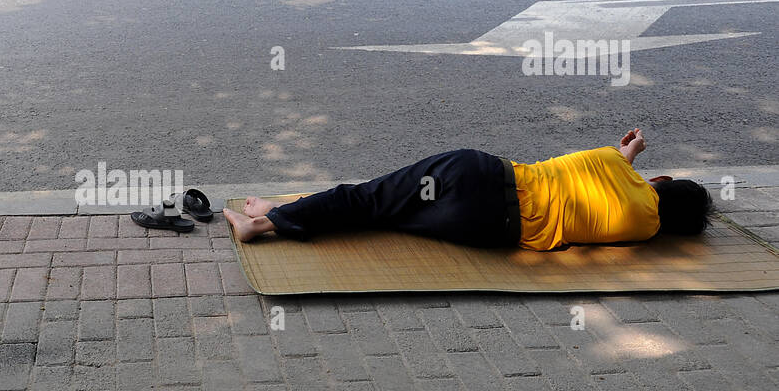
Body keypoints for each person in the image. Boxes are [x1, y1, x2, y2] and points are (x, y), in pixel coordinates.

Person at [223, 129, 714, 250]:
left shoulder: (614, 165)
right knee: (379, 215)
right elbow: (624, 196)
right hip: (486, 229)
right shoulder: (643, 232)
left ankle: (263, 220)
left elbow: (613, 168)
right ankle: (280, 215)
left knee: (369, 198)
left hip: (476, 176)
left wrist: (631, 153)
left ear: (661, 182)